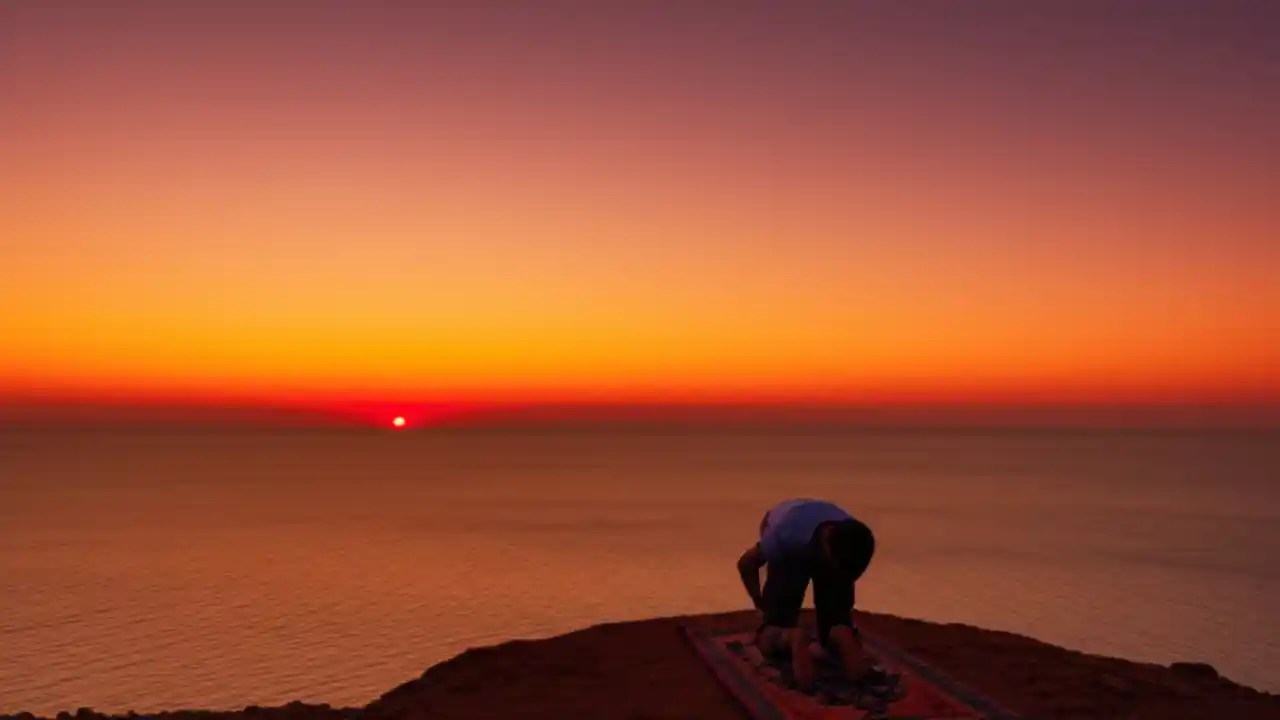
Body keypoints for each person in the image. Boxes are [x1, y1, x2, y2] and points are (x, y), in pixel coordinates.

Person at [737, 498, 876, 690]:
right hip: (791, 549)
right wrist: (759, 601)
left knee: (778, 631)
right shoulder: (785, 536)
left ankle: (831, 632)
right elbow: (747, 563)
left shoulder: (854, 541)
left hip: (829, 547)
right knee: (778, 619)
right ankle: (826, 632)